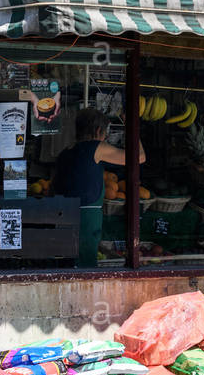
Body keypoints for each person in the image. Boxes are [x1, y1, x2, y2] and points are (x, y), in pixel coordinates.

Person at [54, 108, 145, 268]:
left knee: (66, 269)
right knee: (83, 269)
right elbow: (139, 157)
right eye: (106, 132)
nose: (106, 136)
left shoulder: (66, 152)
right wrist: (132, 126)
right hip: (85, 222)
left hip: (63, 218)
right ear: (98, 130)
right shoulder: (96, 147)